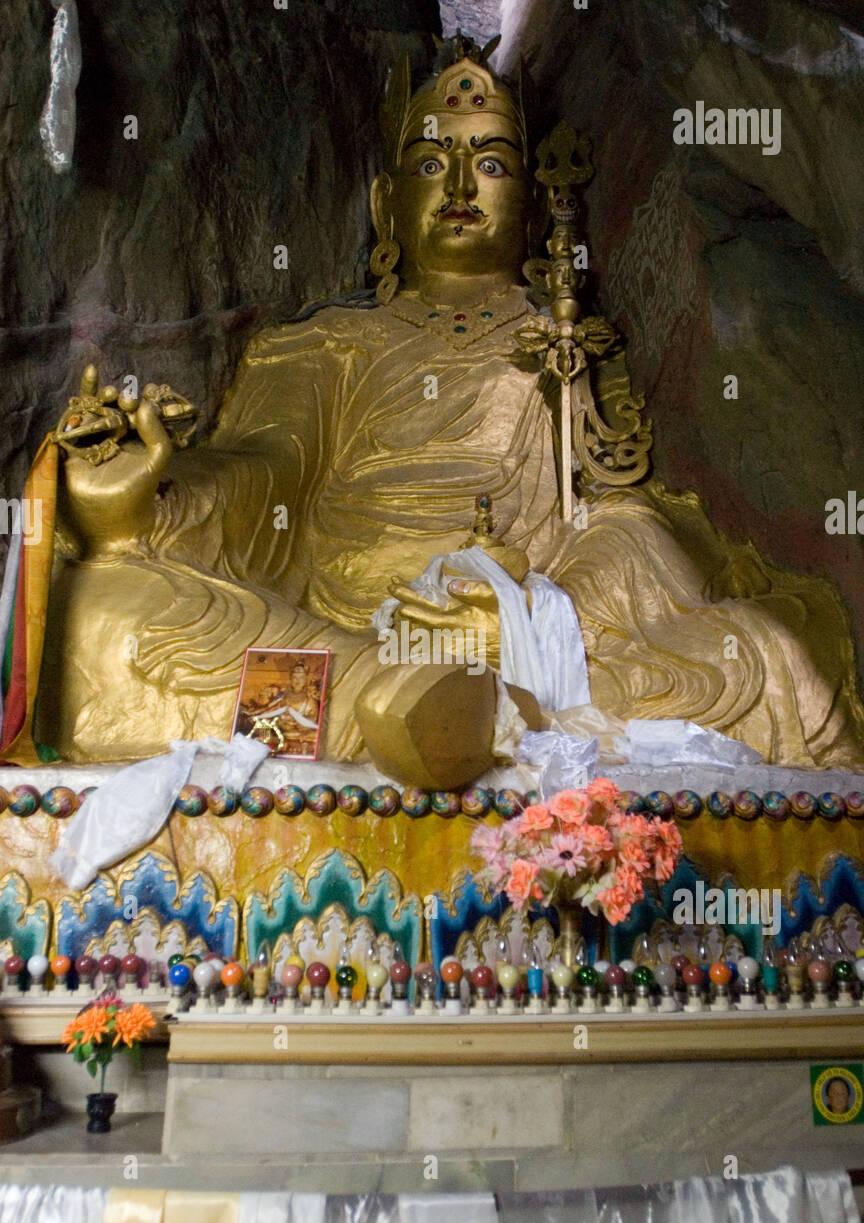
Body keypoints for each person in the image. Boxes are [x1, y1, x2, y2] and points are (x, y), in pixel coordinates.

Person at [23, 40, 864, 776]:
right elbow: (263, 481)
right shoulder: (321, 348)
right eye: (431, 164)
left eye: (491, 164)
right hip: (337, 635)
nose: (460, 185)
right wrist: (144, 506)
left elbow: (620, 521)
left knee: (766, 655)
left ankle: (446, 714)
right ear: (388, 206)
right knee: (96, 606)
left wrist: (531, 616)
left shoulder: (566, 341)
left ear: (533, 210)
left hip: (526, 649)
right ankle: (439, 713)